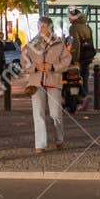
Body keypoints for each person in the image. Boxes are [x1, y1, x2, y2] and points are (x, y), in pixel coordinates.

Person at [20, 16, 72, 153]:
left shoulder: (59, 43)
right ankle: (40, 144)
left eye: (43, 26)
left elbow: (67, 60)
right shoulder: (32, 44)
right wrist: (35, 67)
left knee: (55, 114)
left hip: (53, 81)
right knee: (38, 113)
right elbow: (24, 61)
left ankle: (59, 139)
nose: (40, 29)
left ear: (49, 27)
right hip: (36, 83)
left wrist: (53, 66)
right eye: (39, 26)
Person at [68, 8, 96, 84]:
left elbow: (75, 44)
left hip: (80, 57)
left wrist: (75, 59)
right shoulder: (87, 27)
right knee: (85, 78)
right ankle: (85, 91)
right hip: (88, 55)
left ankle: (82, 91)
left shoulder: (74, 28)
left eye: (70, 17)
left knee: (77, 81)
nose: (69, 19)